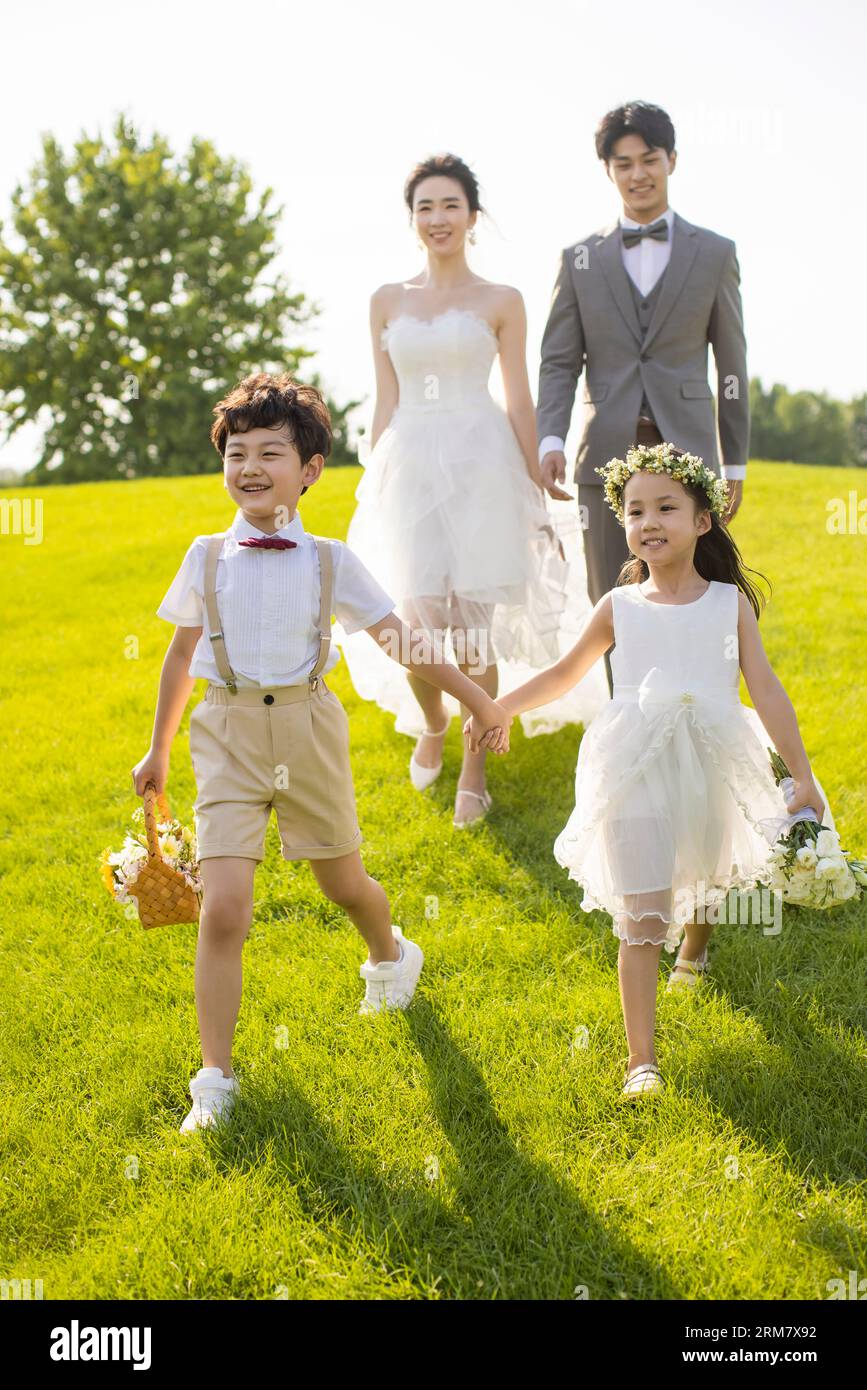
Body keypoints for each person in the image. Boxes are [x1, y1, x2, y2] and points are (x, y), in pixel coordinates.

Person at [132, 373, 509, 1135]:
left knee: (344, 883)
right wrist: (159, 750)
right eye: (237, 453)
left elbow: (401, 638)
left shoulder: (329, 560)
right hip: (227, 737)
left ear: (309, 470)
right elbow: (178, 658)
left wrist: (475, 698)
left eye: (271, 453)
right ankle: (215, 1078)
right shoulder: (205, 556)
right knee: (224, 908)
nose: (249, 468)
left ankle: (391, 953)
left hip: (307, 732)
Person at [465, 442, 836, 1100]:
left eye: (666, 506)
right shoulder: (619, 606)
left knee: (704, 865)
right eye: (634, 510)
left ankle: (694, 949)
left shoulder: (727, 605)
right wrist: (500, 707)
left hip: (713, 757)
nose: (648, 521)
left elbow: (766, 689)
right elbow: (564, 673)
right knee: (640, 914)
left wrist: (800, 773)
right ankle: (643, 1060)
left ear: (702, 520)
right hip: (634, 764)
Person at [334, 152, 606, 829]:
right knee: (416, 620)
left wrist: (534, 473)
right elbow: (384, 397)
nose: (436, 218)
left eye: (449, 205)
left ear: (472, 216)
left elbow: (518, 400)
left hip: (483, 466)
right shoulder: (385, 301)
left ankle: (475, 761)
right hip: (411, 468)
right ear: (412, 219)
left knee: (474, 627)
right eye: (424, 207)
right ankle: (432, 721)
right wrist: (375, 475)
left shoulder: (501, 300)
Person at [536, 101, 749, 696]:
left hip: (691, 451)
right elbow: (558, 361)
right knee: (613, 597)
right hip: (602, 451)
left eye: (649, 160)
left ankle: (707, 730)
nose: (637, 174)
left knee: (704, 597)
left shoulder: (714, 253)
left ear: (671, 161)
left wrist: (733, 463)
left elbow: (733, 366)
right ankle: (624, 729)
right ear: (608, 170)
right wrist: (550, 436)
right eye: (623, 163)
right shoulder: (578, 259)